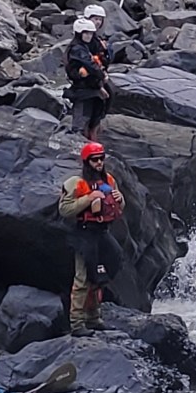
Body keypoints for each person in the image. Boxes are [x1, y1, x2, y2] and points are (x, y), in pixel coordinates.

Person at [58, 140, 126, 335]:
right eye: (94, 159)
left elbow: (119, 207)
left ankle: (94, 317)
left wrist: (120, 199)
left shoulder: (109, 180)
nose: (99, 163)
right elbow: (64, 209)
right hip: (84, 233)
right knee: (82, 278)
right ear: (86, 161)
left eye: (101, 158)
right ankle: (77, 323)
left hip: (103, 233)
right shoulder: (76, 183)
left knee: (104, 272)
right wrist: (89, 198)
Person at [64, 5, 111, 137]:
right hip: (83, 85)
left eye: (100, 19)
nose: (98, 22)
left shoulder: (95, 41)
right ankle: (79, 136)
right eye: (95, 19)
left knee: (101, 104)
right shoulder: (77, 48)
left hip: (93, 81)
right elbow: (88, 65)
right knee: (83, 111)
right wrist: (100, 79)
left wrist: (104, 60)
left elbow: (102, 60)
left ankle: (92, 133)